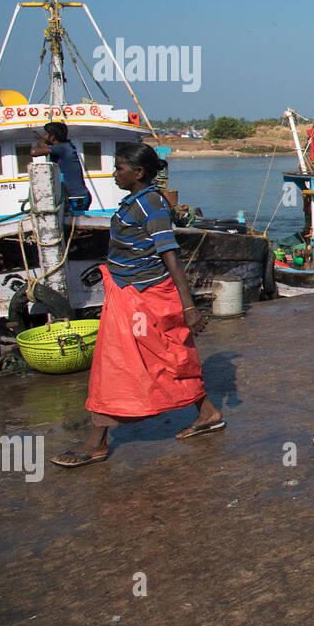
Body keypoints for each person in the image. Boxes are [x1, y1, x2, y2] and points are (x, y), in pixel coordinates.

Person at [51, 143, 217, 468]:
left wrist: (189, 307)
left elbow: (171, 256)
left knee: (117, 364)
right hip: (129, 293)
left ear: (138, 172)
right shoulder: (134, 202)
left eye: (119, 168)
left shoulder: (151, 204)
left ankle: (96, 441)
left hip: (145, 298)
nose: (115, 174)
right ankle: (208, 412)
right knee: (168, 358)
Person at [31, 121, 92, 212]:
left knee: (73, 224)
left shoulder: (63, 148)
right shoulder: (65, 147)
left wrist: (43, 141)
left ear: (52, 137)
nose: (44, 136)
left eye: (46, 134)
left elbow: (34, 152)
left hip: (77, 198)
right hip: (72, 197)